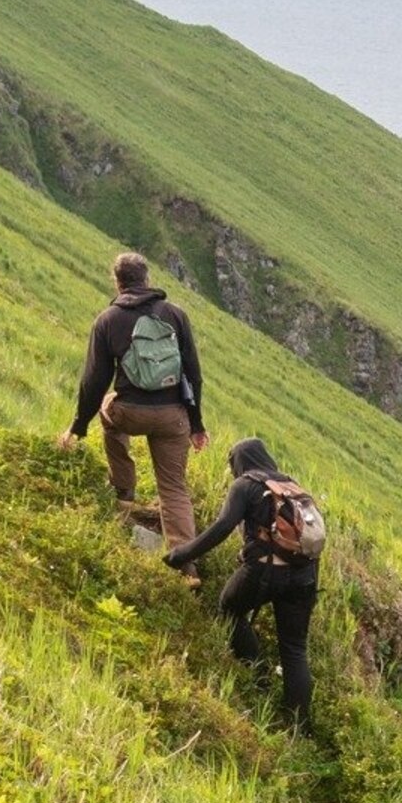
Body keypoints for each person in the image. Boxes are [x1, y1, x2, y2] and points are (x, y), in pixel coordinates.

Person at [169, 438, 322, 728]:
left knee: (229, 607)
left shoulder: (245, 485)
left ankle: (257, 671)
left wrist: (181, 555)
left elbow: (222, 527)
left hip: (264, 571)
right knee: (294, 648)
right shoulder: (293, 487)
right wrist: (309, 587)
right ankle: (298, 727)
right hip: (305, 576)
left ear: (239, 463)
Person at [59, 251, 206, 547]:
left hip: (128, 413)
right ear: (147, 278)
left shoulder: (108, 320)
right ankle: (185, 565)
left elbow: (94, 381)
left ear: (117, 282)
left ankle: (124, 493)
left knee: (108, 409)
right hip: (172, 417)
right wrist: (196, 424)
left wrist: (77, 426)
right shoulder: (175, 315)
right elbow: (193, 373)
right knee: (174, 489)